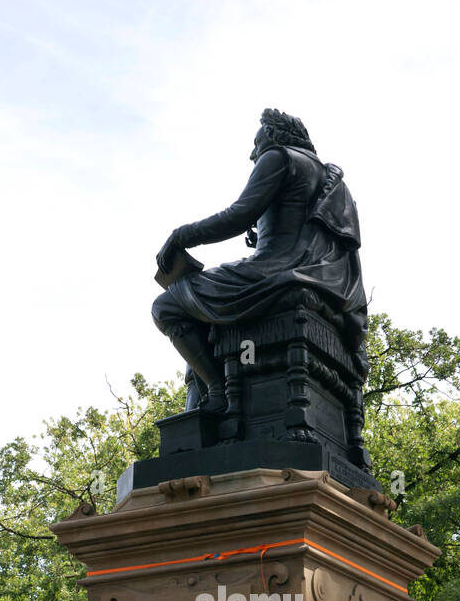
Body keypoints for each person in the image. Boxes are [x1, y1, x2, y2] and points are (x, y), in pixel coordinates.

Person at [152, 107, 368, 413]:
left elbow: (238, 215)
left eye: (257, 143)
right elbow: (310, 230)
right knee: (198, 310)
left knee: (168, 306)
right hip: (327, 281)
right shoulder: (333, 180)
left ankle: (217, 394)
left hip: (280, 269)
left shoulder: (279, 156)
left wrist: (180, 236)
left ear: (273, 135)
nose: (253, 154)